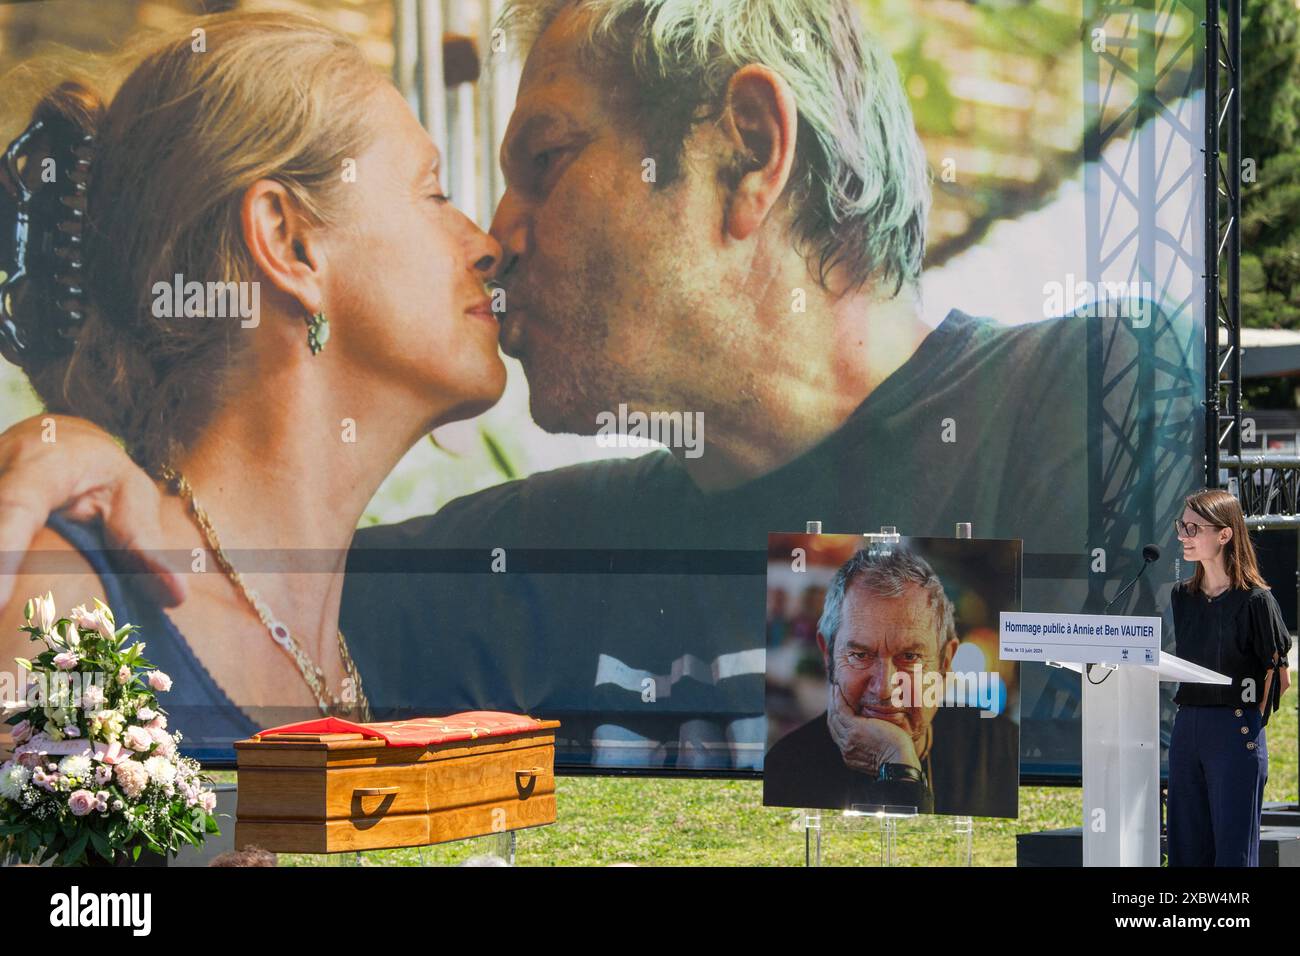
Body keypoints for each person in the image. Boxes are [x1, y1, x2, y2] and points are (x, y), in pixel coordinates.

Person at [0, 0, 1194, 769]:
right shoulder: (502, 563)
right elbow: (215, 578)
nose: (497, 233)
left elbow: (1122, 806)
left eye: (547, 161)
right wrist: (85, 445)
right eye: (450, 189)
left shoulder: (1082, 393)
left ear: (745, 151)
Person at [0, 12, 504, 757]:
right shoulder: (67, 605)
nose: (485, 245)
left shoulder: (364, 655)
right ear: (287, 242)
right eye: (432, 193)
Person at [763, 546, 1018, 816]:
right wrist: (897, 760)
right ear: (828, 656)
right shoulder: (786, 769)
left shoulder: (1004, 748)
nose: (884, 688)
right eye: (860, 655)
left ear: (945, 662)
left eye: (909, 656)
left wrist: (897, 761)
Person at [1167, 489, 1293, 866]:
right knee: (1185, 845)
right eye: (1181, 526)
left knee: (1233, 851)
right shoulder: (1182, 596)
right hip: (1187, 726)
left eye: (1193, 527)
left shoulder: (1256, 600)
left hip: (1236, 729)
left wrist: (1248, 724)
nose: (1183, 535)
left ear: (1224, 534)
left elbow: (1278, 676)